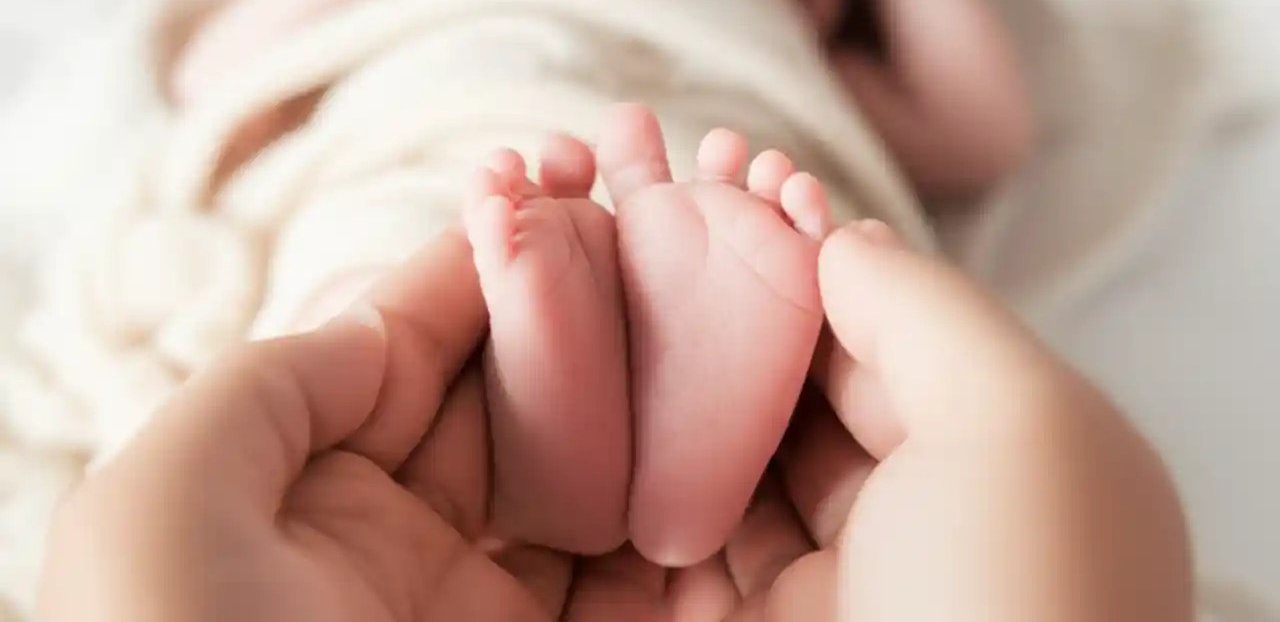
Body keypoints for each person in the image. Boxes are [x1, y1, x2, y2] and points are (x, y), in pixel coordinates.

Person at [37, 221, 1194, 621]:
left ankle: (557, 392)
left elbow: (972, 128)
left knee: (364, 329)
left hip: (466, 86)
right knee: (823, 278)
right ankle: (639, 387)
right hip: (726, 169)